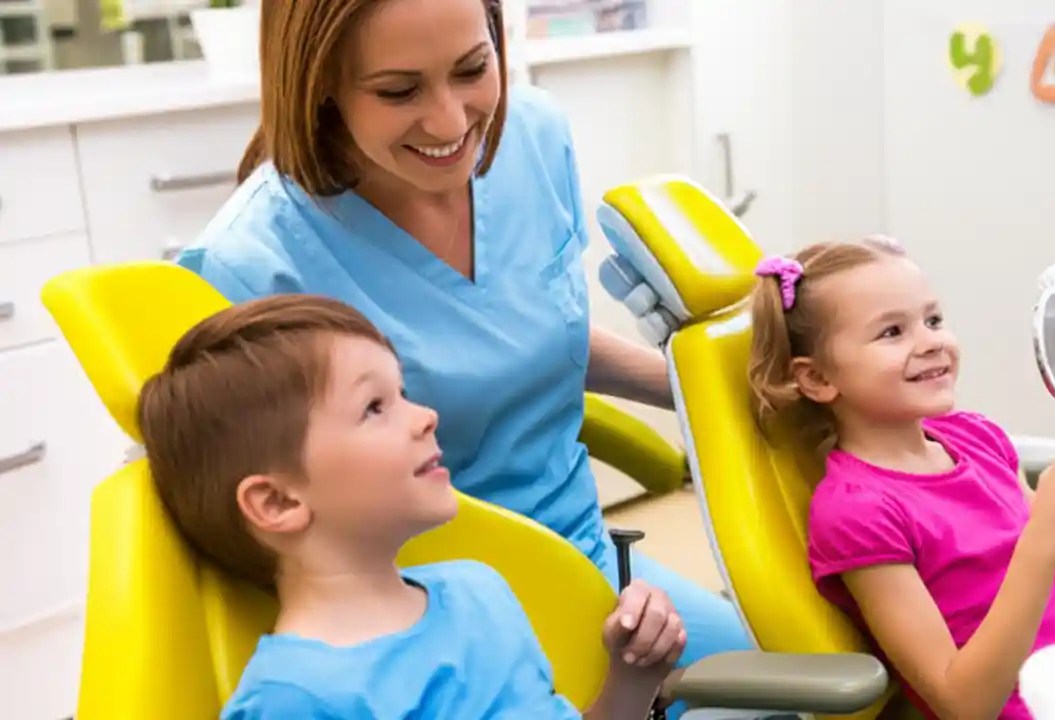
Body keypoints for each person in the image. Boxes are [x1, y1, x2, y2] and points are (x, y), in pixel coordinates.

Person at [174, 0, 752, 707]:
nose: (450, 122)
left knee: (793, 680)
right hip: (425, 619)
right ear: (320, 81)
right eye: (398, 90)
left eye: (474, 69)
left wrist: (715, 387)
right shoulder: (253, 262)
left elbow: (533, 337)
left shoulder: (533, 137)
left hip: (595, 561)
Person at [136, 293, 686, 718]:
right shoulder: (295, 698)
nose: (425, 415)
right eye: (375, 407)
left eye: (403, 394)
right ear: (277, 501)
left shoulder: (480, 592)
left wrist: (633, 678)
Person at [745, 237, 1055, 720]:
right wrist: (1048, 532)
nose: (932, 341)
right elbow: (963, 704)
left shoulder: (978, 438)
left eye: (932, 320)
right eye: (892, 332)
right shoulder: (858, 511)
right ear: (817, 380)